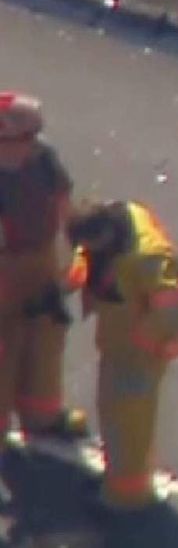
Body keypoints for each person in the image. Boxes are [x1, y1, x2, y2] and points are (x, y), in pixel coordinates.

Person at [66, 199, 178, 514]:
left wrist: (139, 344)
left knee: (129, 422)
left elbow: (174, 313)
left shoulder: (148, 257)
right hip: (121, 345)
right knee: (114, 415)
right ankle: (119, 479)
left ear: (105, 232)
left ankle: (127, 494)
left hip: (137, 354)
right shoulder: (119, 229)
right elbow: (90, 264)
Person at [0, 92, 91, 466]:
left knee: (46, 336)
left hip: (39, 259)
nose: (34, 144)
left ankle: (42, 415)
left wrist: (71, 257)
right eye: (26, 138)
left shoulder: (43, 159)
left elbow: (63, 200)